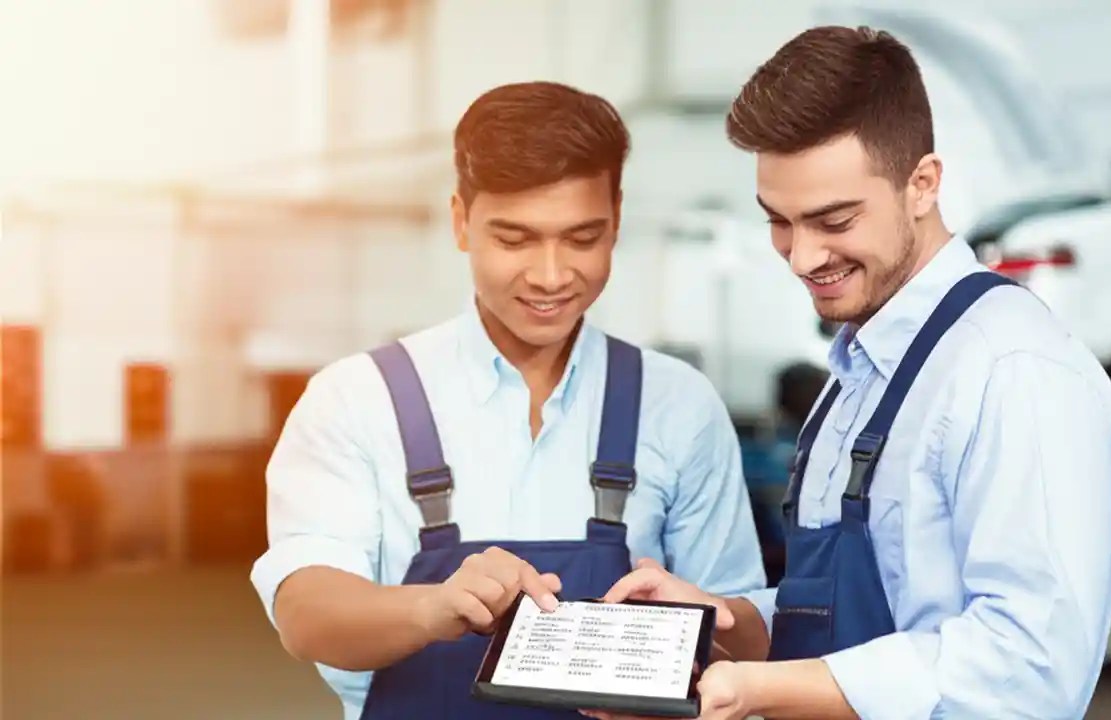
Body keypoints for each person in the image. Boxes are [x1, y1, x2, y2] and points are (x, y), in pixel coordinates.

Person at [588, 26, 1111, 720]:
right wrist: (724, 622)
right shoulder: (855, 374)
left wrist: (765, 690)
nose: (802, 256)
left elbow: (1030, 668)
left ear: (923, 184)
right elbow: (841, 616)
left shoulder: (1014, 373)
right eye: (778, 221)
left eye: (833, 220)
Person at [249, 81, 766, 720]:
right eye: (515, 239)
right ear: (462, 221)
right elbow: (305, 612)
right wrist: (432, 608)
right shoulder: (357, 399)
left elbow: (749, 634)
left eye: (582, 238)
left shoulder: (678, 404)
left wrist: (710, 627)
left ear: (618, 218)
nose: (551, 276)